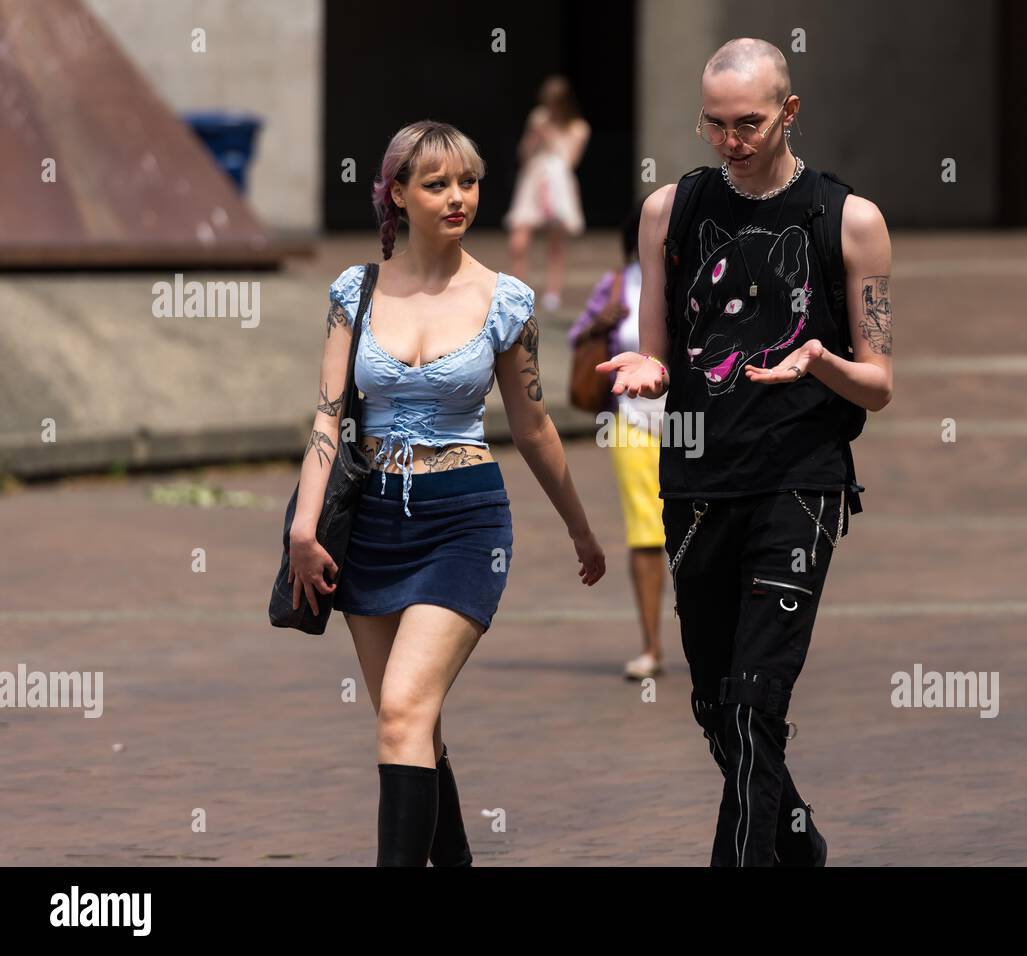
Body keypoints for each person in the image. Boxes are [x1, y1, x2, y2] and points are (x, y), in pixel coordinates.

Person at [598, 38, 894, 866]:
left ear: (789, 112)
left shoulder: (850, 220)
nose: (732, 140)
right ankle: (799, 844)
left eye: (751, 123)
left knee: (756, 703)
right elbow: (660, 353)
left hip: (800, 481)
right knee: (713, 701)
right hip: (697, 479)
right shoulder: (672, 211)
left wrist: (823, 362)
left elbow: (880, 384)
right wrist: (647, 370)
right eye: (716, 124)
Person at [287, 120, 606, 866]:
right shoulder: (354, 292)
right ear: (397, 193)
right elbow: (327, 418)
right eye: (437, 184)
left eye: (467, 182)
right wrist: (306, 528)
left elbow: (533, 428)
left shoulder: (505, 300)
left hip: (465, 522)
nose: (457, 197)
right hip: (367, 527)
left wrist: (580, 531)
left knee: (402, 711)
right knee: (414, 727)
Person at [567, 208, 668, 680]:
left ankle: (718, 643)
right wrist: (599, 325)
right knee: (647, 532)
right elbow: (575, 339)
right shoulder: (616, 285)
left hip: (699, 427)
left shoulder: (703, 278)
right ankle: (651, 647)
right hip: (633, 423)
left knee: (710, 531)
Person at [504, 75, 590, 314]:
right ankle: (518, 289)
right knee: (518, 240)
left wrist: (549, 135)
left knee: (555, 242)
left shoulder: (579, 128)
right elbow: (523, 153)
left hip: (558, 184)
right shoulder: (537, 118)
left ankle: (553, 292)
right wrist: (534, 136)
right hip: (533, 179)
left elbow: (569, 161)